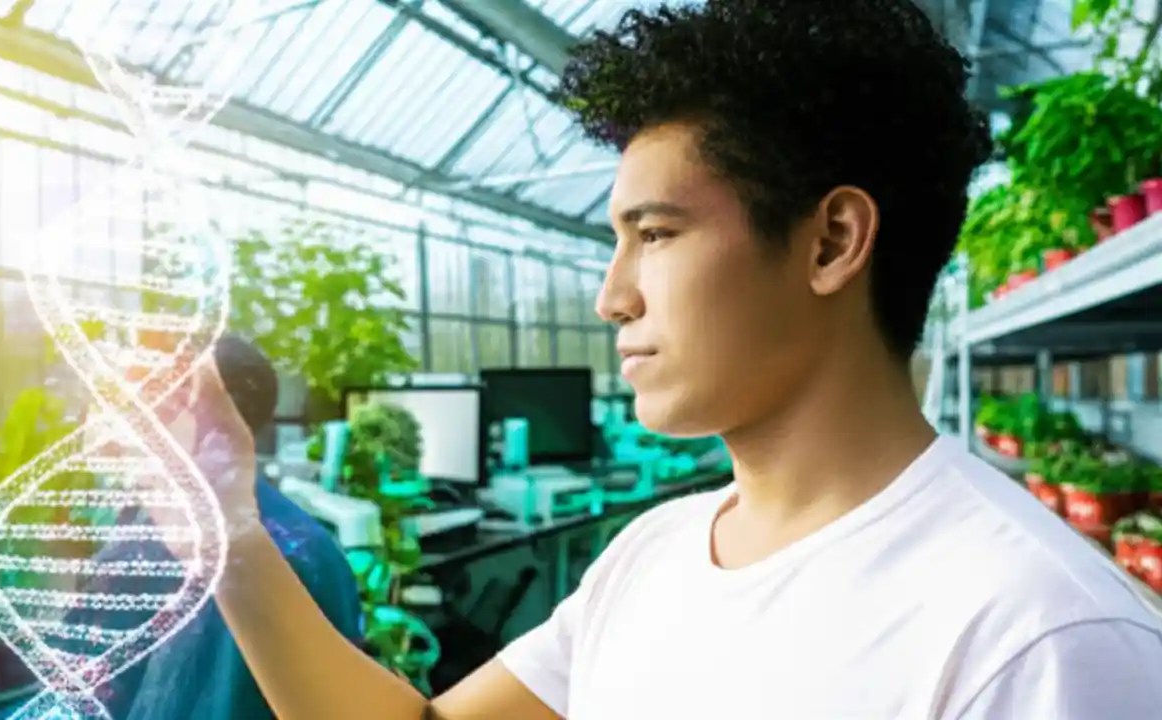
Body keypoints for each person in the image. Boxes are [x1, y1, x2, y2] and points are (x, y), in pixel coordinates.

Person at [171, 1, 1162, 718]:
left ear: (828, 243)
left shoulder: (1038, 641)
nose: (611, 296)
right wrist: (230, 532)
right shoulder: (653, 557)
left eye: (655, 233)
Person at [67, 335, 363, 720]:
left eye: (138, 396)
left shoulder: (254, 557)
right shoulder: (301, 544)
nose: (102, 420)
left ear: (207, 414)